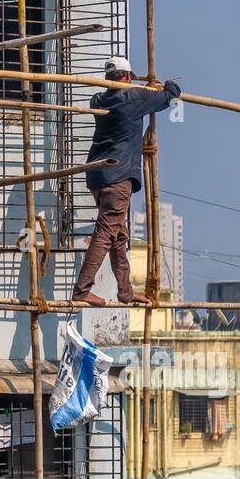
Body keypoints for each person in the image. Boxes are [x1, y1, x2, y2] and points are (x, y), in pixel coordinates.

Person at [72, 56, 181, 306]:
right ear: (128, 77)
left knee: (118, 235)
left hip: (98, 175)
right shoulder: (133, 98)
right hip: (118, 176)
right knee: (106, 232)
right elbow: (168, 97)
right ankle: (81, 291)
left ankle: (125, 291)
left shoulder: (98, 100)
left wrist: (146, 90)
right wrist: (169, 86)